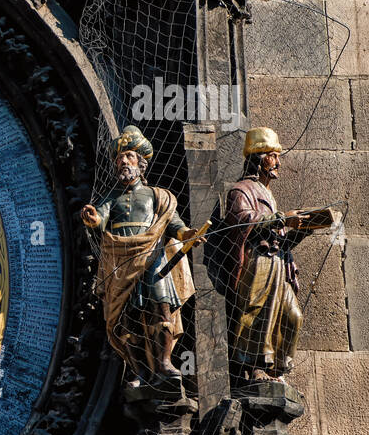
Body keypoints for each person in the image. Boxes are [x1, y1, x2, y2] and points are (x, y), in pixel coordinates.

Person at [81, 126, 196, 383]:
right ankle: (138, 370)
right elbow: (101, 218)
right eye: (119, 159)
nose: (123, 162)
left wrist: (187, 234)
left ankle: (164, 363)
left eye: (129, 157)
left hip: (153, 258)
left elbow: (173, 224)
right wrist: (93, 219)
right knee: (126, 318)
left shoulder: (158, 196)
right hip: (121, 261)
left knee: (161, 308)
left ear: (140, 163)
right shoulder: (112, 198)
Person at [217, 127, 330, 383]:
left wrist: (303, 229)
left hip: (277, 261)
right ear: (258, 158)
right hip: (258, 262)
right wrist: (281, 218)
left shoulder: (268, 194)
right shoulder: (241, 190)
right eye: (273, 155)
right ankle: (256, 367)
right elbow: (242, 221)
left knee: (292, 316)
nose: (278, 162)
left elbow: (280, 237)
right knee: (259, 312)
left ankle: (275, 370)